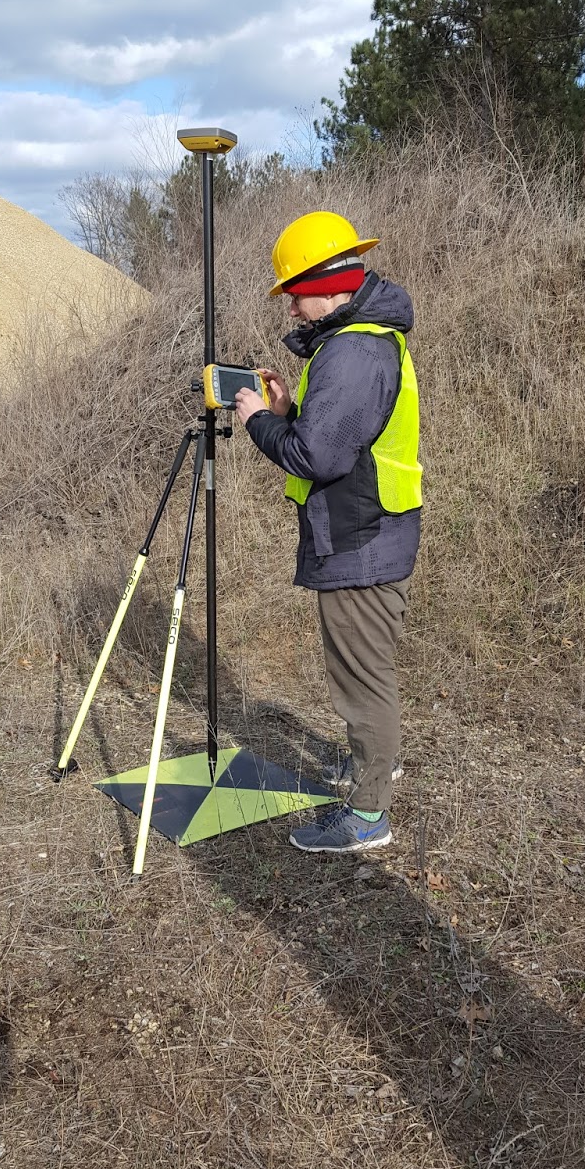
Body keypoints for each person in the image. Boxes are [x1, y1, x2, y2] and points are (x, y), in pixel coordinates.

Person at [233, 211, 422, 855]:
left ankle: (369, 815)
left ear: (328, 283)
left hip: (360, 538)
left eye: (293, 294)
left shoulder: (354, 350)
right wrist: (288, 411)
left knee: (361, 680)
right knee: (365, 671)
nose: (291, 309)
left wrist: (260, 422)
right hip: (369, 530)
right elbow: (333, 434)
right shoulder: (355, 342)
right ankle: (377, 767)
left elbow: (319, 458)